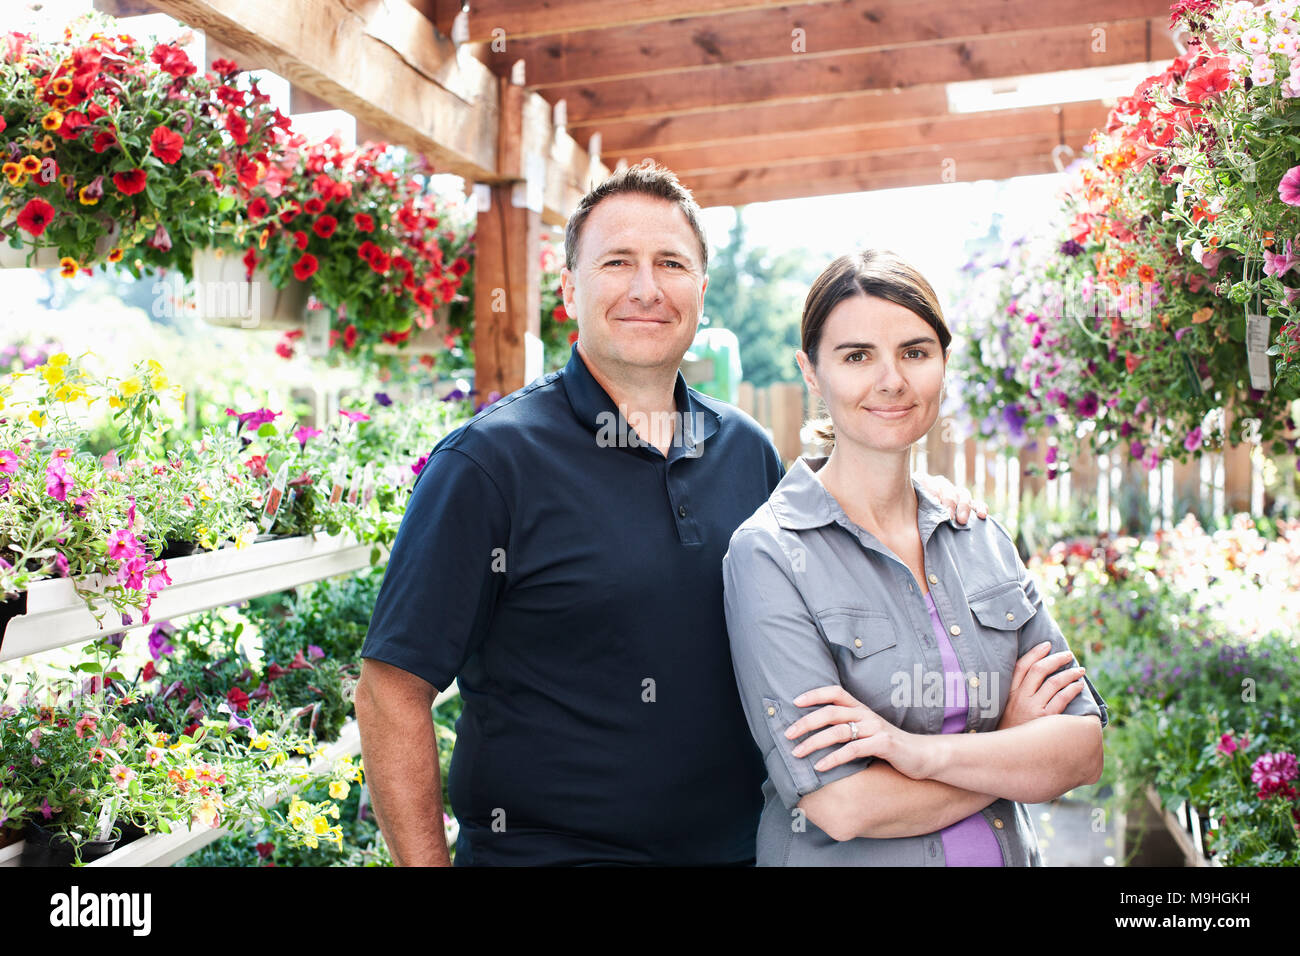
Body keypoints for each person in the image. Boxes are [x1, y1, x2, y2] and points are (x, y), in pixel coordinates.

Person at [354, 164, 986, 866]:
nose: (647, 288)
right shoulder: (489, 463)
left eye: (671, 264)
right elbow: (390, 691)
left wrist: (925, 498)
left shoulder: (744, 451)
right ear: (568, 289)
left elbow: (839, 560)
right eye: (617, 262)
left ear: (701, 293)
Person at [722, 249, 1108, 866]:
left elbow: (1081, 750)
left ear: (943, 364)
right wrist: (1010, 747)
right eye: (856, 356)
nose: (892, 380)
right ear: (811, 373)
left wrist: (918, 753)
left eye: (914, 351)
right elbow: (843, 805)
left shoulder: (978, 536)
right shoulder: (770, 553)